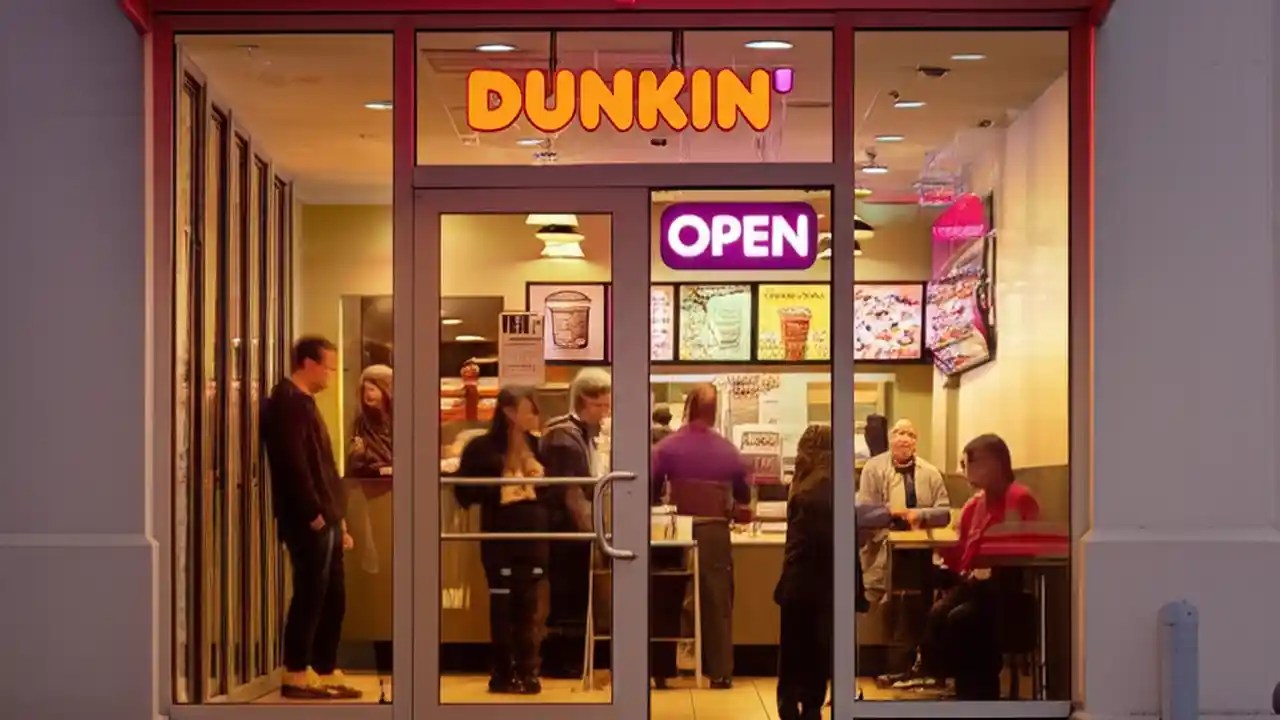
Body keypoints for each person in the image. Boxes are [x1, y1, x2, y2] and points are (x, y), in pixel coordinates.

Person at [262, 336, 361, 700]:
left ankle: (324, 665)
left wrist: (338, 515)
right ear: (308, 363)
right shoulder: (288, 404)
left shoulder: (306, 404)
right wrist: (314, 515)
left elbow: (324, 465)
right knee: (310, 593)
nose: (332, 374)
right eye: (329, 366)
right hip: (310, 519)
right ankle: (296, 670)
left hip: (328, 515)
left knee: (333, 593)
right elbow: (293, 465)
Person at [910, 433, 1040, 699]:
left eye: (970, 463)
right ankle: (953, 684)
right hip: (974, 585)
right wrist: (938, 543)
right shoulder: (974, 505)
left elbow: (1025, 550)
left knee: (961, 620)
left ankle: (978, 693)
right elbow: (961, 557)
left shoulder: (1019, 499)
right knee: (937, 614)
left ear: (992, 464)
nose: (965, 470)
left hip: (1007, 588)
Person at [650, 384, 750, 689]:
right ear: (714, 410)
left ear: (688, 406)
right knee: (717, 599)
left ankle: (660, 668)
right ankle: (719, 671)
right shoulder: (728, 450)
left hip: (671, 528)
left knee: (664, 595)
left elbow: (651, 489)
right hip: (714, 528)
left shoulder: (666, 447)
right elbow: (744, 496)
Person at [454, 386, 550, 695]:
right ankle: (503, 671)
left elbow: (555, 493)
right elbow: (463, 492)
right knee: (503, 602)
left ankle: (528, 670)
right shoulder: (482, 449)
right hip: (500, 536)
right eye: (529, 409)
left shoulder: (539, 446)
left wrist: (539, 484)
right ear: (509, 412)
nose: (534, 416)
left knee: (529, 603)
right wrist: (501, 484)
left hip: (534, 536)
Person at [538, 368, 612, 678]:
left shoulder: (576, 434)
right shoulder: (564, 437)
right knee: (569, 596)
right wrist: (593, 535)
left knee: (574, 595)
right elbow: (571, 493)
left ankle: (569, 659)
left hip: (569, 530)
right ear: (585, 399)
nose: (607, 412)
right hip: (565, 531)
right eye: (603, 405)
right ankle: (563, 661)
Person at [858, 419, 952, 604]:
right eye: (899, 433)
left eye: (911, 435)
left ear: (916, 443)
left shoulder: (931, 473)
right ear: (890, 438)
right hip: (881, 552)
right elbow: (863, 514)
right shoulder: (873, 468)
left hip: (922, 553)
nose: (904, 439)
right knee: (878, 606)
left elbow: (944, 513)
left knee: (921, 601)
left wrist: (919, 515)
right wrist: (891, 512)